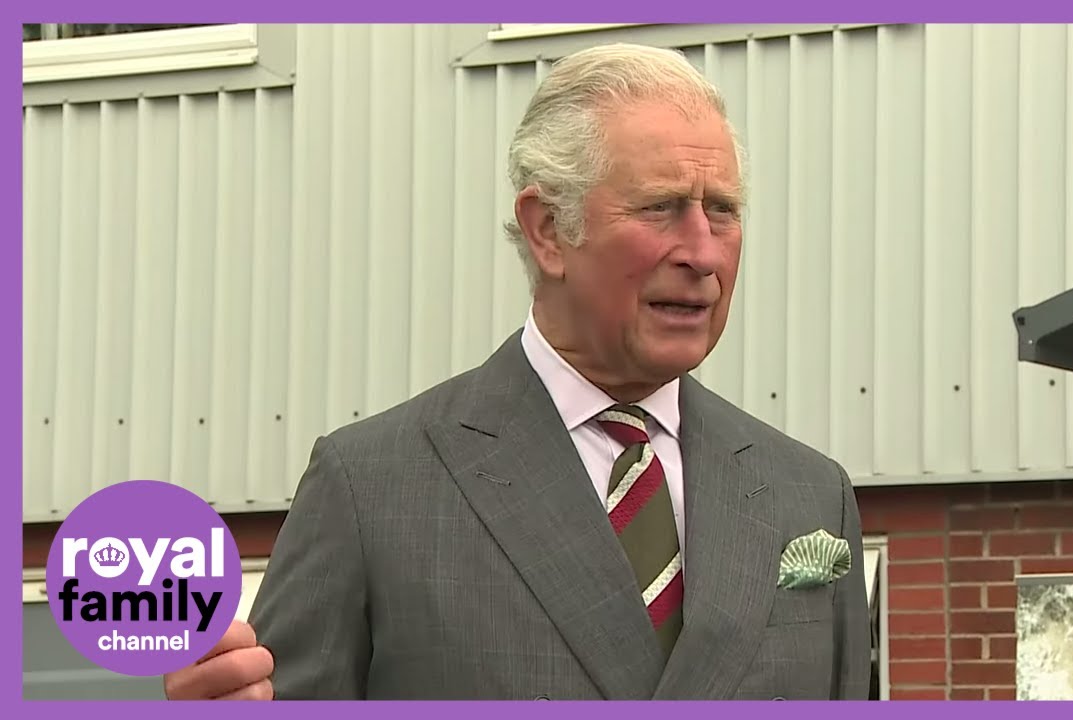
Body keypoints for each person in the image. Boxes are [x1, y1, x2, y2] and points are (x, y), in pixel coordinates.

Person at [162, 42, 871, 702]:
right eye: (661, 208)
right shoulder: (373, 490)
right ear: (548, 229)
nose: (704, 253)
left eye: (722, 211)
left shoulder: (809, 496)